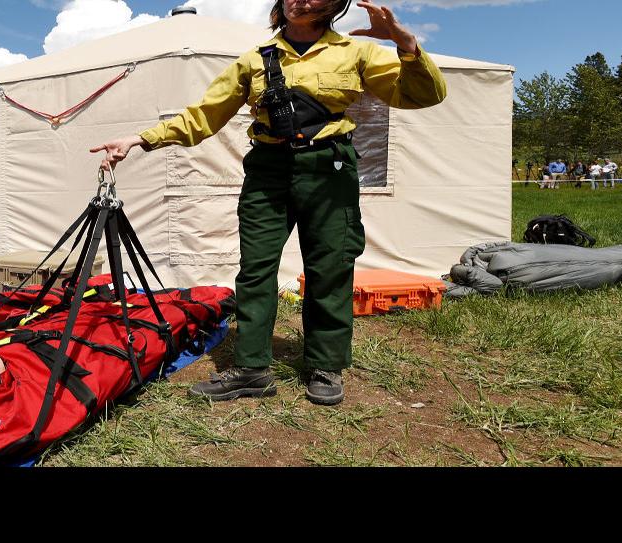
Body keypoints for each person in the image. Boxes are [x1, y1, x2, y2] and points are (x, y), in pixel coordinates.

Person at [91, 0, 446, 405]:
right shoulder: (254, 61)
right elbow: (204, 115)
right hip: (268, 171)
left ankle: (326, 365)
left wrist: (406, 44)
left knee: (329, 265)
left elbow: (422, 95)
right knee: (255, 268)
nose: (300, 0)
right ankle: (251, 369)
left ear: (333, 5)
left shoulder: (356, 53)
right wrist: (139, 139)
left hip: (329, 169)